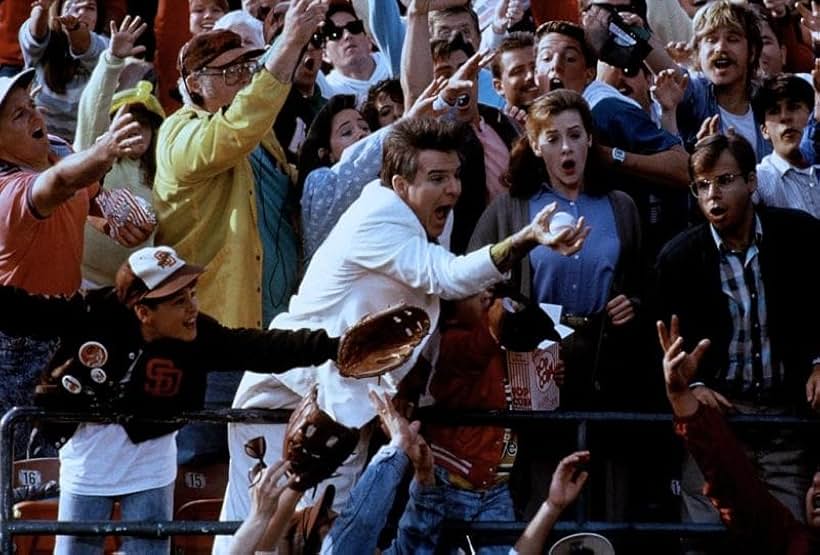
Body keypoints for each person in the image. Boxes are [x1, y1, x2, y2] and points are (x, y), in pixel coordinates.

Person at [215, 116, 590, 552]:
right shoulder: (378, 216)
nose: (452, 188)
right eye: (437, 178)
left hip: (345, 412)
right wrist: (526, 238)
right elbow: (448, 278)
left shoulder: (426, 216)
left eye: (455, 176)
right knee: (252, 531)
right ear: (399, 184)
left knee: (325, 541)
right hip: (287, 395)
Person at [0, 245, 343, 554]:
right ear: (143, 311)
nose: (193, 308)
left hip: (152, 462)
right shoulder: (94, 313)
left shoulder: (199, 335)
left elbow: (260, 347)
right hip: (88, 461)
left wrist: (333, 347)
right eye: (178, 301)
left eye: (192, 294)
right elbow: (26, 312)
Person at [154, 1, 326, 465]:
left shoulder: (264, 136)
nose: (243, 78)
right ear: (195, 83)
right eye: (227, 72)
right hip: (214, 346)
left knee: (270, 480)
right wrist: (287, 43)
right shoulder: (178, 134)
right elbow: (232, 134)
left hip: (272, 337)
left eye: (246, 67)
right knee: (201, 474)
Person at [653, 131, 820, 545]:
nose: (713, 195)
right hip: (718, 423)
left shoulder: (800, 237)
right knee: (706, 543)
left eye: (724, 181)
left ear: (751, 181)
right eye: (702, 185)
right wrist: (692, 387)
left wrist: (819, 361)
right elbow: (659, 344)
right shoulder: (677, 258)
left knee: (792, 539)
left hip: (787, 422)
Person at [0, 67, 150, 456]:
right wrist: (104, 150)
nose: (36, 116)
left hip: (66, 325)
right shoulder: (5, 188)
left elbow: (82, 189)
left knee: (62, 464)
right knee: (18, 468)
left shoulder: (54, 148)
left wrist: (107, 215)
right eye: (19, 115)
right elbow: (59, 185)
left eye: (32, 104)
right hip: (16, 339)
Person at [471, 89, 642, 410]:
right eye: (552, 139)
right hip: (537, 363)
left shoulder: (621, 205)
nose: (566, 147)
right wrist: (522, 341)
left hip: (606, 362)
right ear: (536, 146)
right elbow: (473, 285)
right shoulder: (511, 209)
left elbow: (641, 281)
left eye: (575, 135)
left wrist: (631, 302)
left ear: (589, 140)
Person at [658, 314, 820, 553]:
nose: (815, 482)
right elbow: (730, 478)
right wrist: (681, 395)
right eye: (816, 474)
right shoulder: (791, 539)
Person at [534, 19, 689, 260]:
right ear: (535, 75)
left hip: (641, 262)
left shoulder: (608, 110)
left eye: (570, 58)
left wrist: (612, 156)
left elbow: (684, 169)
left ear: (589, 73)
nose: (556, 66)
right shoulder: (532, 127)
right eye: (546, 58)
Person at [74, 15, 164, 288]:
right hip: (84, 281)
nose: (136, 130)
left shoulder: (162, 172)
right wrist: (111, 60)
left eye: (145, 125)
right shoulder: (96, 155)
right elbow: (94, 108)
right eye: (127, 122)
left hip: (132, 289)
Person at [19, 0, 108, 142]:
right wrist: (42, 10)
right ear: (58, 11)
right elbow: (34, 36)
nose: (81, 13)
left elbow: (86, 48)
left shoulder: (106, 46)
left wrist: (74, 28)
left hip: (84, 149)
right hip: (36, 142)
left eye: (90, 8)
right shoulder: (42, 46)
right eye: (73, 6)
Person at [751, 72, 820, 218]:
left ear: (811, 114)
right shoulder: (761, 179)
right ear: (764, 130)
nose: (785, 117)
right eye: (774, 111)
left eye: (793, 107)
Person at [316, 2, 393, 105]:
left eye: (354, 27)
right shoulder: (327, 91)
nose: (347, 35)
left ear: (369, 40)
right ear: (324, 55)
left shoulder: (395, 59)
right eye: (335, 34)